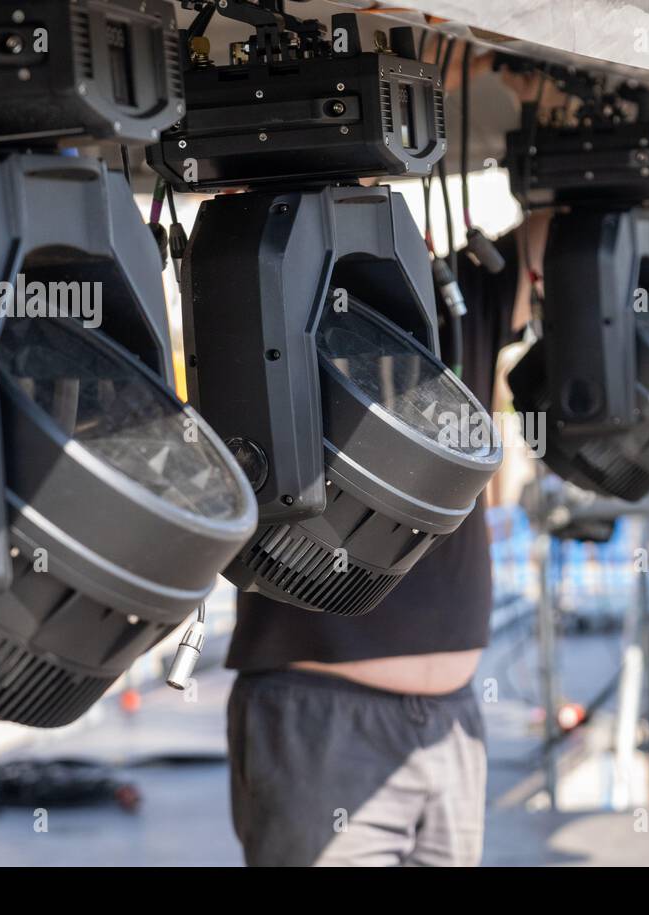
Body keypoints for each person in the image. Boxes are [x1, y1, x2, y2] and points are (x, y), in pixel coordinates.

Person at [224, 169, 547, 864]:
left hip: (452, 722)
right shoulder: (261, 300)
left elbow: (555, 235)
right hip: (322, 720)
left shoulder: (452, 297)